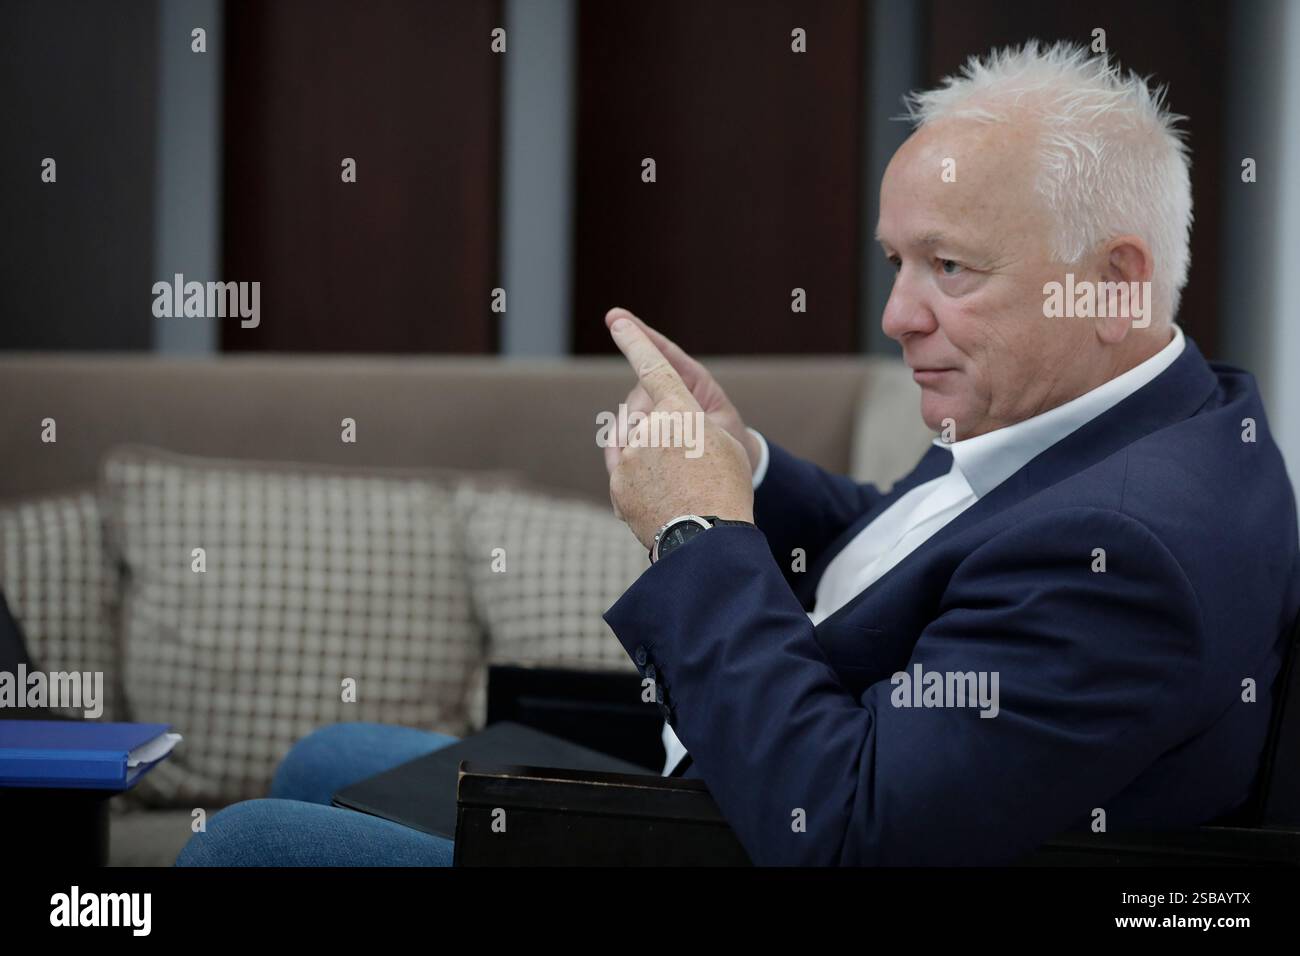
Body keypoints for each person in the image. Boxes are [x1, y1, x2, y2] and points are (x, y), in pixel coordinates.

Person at [177, 40, 1300, 866]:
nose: (899, 315)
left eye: (949, 268)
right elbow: (926, 558)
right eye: (895, 263)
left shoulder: (1123, 547)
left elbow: (848, 833)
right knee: (329, 755)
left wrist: (695, 529)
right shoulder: (1128, 419)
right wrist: (746, 464)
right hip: (776, 785)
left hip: (789, 829)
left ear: (1110, 282)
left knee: (246, 844)